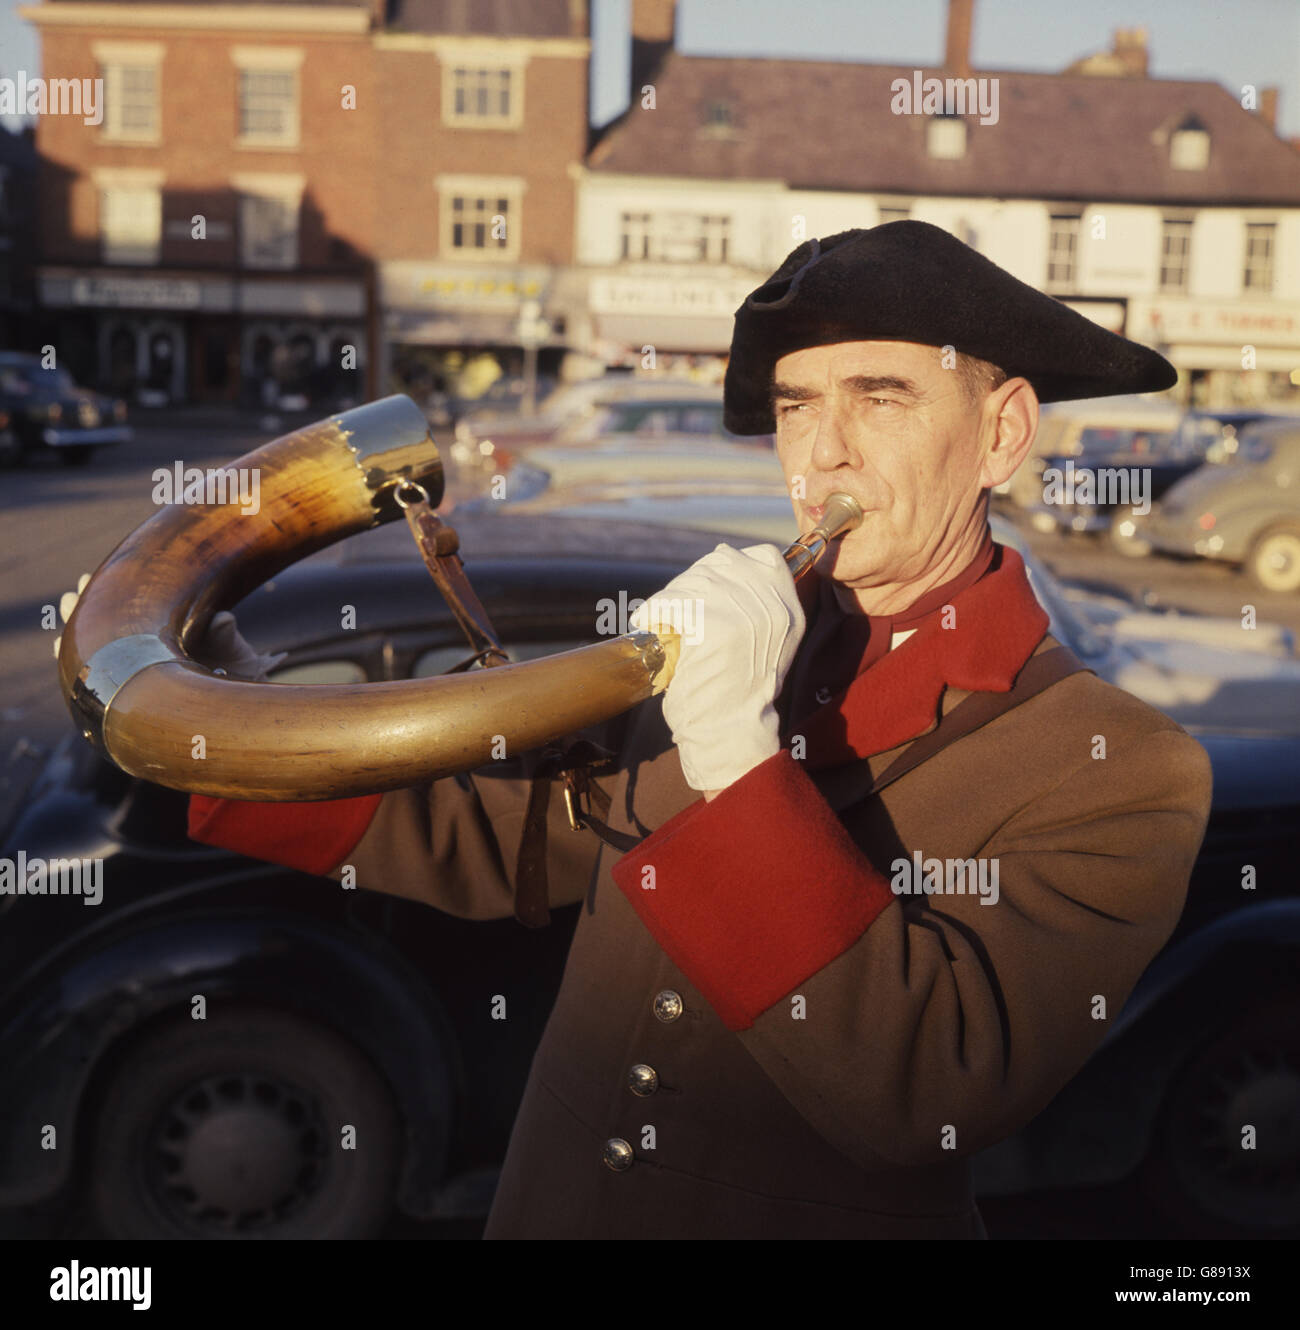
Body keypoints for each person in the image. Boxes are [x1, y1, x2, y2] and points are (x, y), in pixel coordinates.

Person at [185, 222, 1212, 1239]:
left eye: (880, 398)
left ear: (1002, 435)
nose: (823, 450)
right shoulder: (739, 638)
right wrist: (239, 721)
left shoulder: (1121, 768)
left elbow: (929, 1089)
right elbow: (514, 838)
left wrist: (734, 757)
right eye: (796, 406)